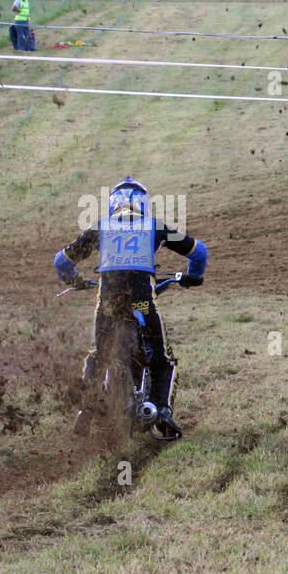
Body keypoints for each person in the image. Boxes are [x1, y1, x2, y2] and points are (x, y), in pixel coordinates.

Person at [54, 177, 208, 439]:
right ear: (143, 203)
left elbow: (61, 262)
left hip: (109, 301)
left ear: (113, 203)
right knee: (162, 359)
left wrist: (75, 281)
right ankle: (163, 412)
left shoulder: (100, 228)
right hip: (142, 298)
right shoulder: (154, 226)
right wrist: (193, 277)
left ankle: (86, 409)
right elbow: (199, 252)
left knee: (98, 354)